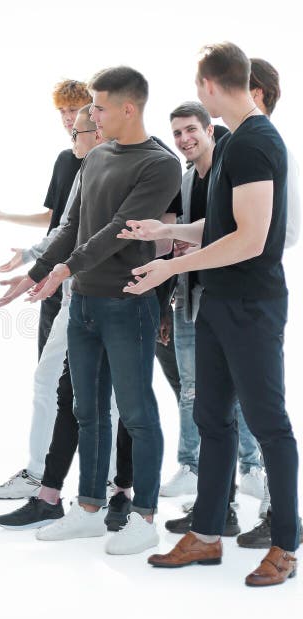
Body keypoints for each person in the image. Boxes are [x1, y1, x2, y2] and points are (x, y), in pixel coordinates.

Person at [122, 43, 298, 587]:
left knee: (268, 423)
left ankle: (285, 545)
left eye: (198, 86)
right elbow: (222, 226)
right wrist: (167, 232)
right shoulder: (232, 144)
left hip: (250, 305)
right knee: (212, 420)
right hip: (220, 304)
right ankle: (205, 534)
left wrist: (172, 270)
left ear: (210, 85)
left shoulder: (255, 142)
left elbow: (251, 238)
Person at [0, 67, 181, 555]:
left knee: (137, 411)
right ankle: (89, 510)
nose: (89, 116)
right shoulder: (95, 156)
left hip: (127, 305)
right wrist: (37, 271)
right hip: (84, 306)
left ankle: (143, 516)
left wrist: (65, 269)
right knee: (87, 408)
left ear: (127, 108)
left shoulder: (159, 164)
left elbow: (120, 227)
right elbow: (71, 223)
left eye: (97, 107)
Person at [159, 104, 261, 540]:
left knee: (229, 395)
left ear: (209, 129)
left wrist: (193, 243)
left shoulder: (228, 168)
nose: (184, 139)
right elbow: (186, 235)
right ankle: (216, 500)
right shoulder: (185, 180)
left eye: (190, 130)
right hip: (189, 294)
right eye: (177, 132)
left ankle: (251, 470)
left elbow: (237, 230)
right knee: (195, 392)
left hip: (225, 298)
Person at [0, 79, 92, 360]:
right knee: (48, 361)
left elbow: (76, 226)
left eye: (73, 109)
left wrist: (30, 256)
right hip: (50, 268)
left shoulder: (102, 158)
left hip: (80, 271)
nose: (67, 117)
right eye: (61, 111)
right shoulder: (65, 160)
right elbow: (54, 219)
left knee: (79, 367)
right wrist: (4, 217)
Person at [236, 56, 303, 550]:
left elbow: (287, 232)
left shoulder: (269, 150)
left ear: (256, 93)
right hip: (237, 297)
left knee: (267, 413)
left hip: (256, 297)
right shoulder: (242, 147)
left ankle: (282, 519)